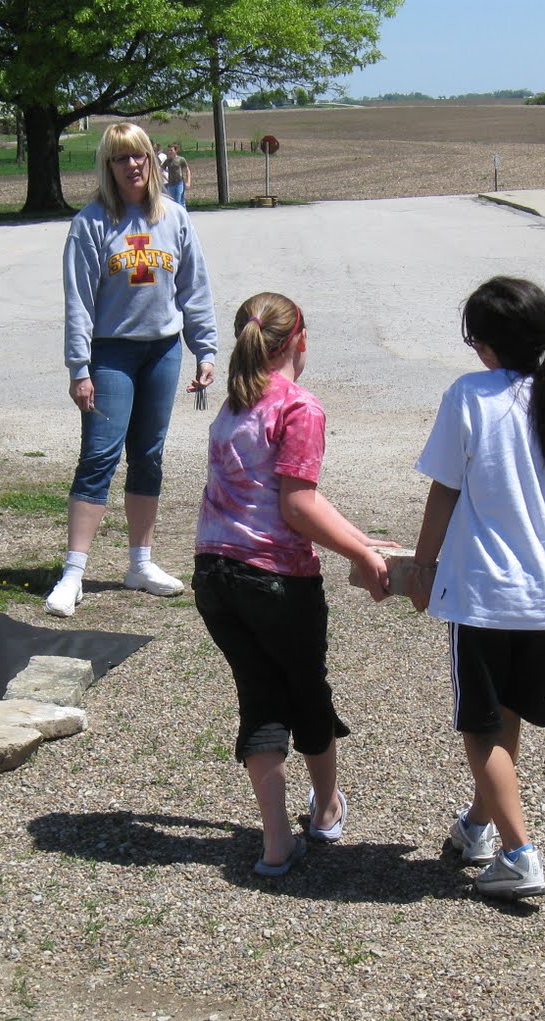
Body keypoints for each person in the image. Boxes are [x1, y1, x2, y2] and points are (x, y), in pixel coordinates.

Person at [407, 277, 545, 900]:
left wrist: (423, 565)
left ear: (488, 345)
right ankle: (478, 827)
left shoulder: (470, 396)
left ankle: (520, 853)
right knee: (506, 717)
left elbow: (445, 487)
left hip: (485, 590)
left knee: (480, 729)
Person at [194, 292, 394, 876]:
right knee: (306, 688)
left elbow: (292, 501)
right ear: (299, 341)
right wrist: (363, 554)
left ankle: (277, 843)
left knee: (259, 695)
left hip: (215, 576)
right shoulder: (298, 407)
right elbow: (298, 506)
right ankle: (327, 811)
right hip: (276, 581)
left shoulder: (233, 406)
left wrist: (361, 539)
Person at [48, 122, 217, 618]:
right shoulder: (91, 223)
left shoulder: (177, 219)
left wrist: (204, 351)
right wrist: (80, 368)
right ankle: (73, 572)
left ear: (153, 161)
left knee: (149, 456)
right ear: (108, 166)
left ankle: (139, 563)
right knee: (100, 455)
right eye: (121, 159)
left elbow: (194, 290)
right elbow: (78, 302)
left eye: (139, 156)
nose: (133, 166)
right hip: (111, 355)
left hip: (162, 352)